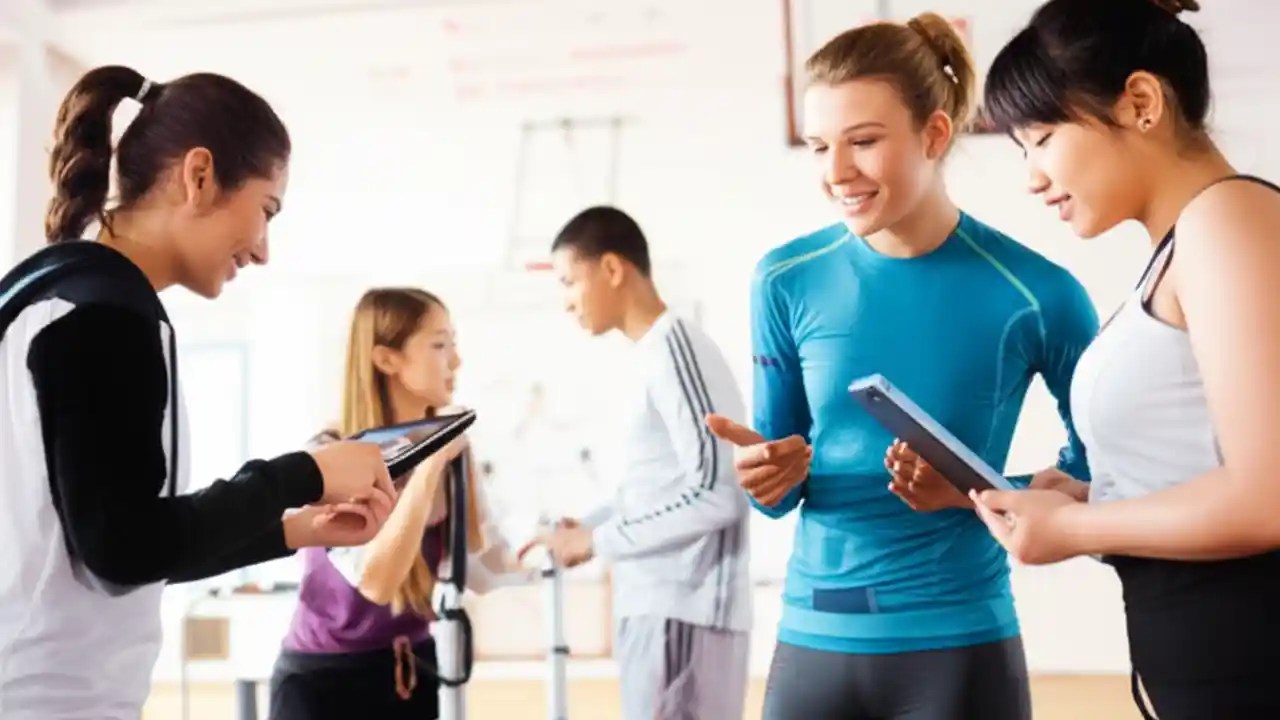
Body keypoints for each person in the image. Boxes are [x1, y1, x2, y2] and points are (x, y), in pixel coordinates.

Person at [702, 14, 1099, 720]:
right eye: (819, 146)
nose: (835, 173)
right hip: (811, 649)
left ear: (935, 135)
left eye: (863, 141)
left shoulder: (1035, 294)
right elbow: (777, 491)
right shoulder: (784, 280)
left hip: (958, 648)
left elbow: (1105, 473)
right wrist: (767, 476)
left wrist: (971, 489)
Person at [0, 66, 396, 719]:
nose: (264, 250)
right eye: (266, 210)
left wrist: (294, 528)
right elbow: (123, 550)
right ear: (200, 174)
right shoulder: (111, 318)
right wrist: (306, 472)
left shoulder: (48, 290)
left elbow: (113, 544)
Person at [967, 1, 1280, 717]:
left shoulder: (1227, 221)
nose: (1032, 176)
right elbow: (1202, 465)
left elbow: (1269, 496)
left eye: (1042, 138)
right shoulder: (1184, 246)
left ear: (1141, 101)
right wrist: (1090, 498)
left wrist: (1074, 529)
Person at [523, 206, 752, 720]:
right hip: (656, 607)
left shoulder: (676, 348)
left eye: (569, 282)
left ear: (611, 268)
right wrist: (590, 525)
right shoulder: (650, 356)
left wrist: (597, 541)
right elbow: (656, 489)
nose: (566, 302)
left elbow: (717, 494)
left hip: (684, 611)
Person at [270, 287, 526, 720]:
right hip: (325, 685)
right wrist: (429, 464)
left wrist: (547, 553)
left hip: (411, 674)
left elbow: (480, 565)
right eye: (440, 345)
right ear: (387, 360)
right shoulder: (330, 456)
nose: (456, 362)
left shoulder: (454, 453)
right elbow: (377, 582)